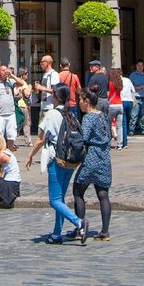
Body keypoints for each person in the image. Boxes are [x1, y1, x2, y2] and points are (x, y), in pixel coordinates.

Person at [26, 83, 84, 244]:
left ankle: (79, 222)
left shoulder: (51, 114)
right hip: (70, 160)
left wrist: (30, 155)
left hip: (56, 158)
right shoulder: (70, 113)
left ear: (56, 97)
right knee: (60, 199)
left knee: (55, 200)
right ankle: (57, 233)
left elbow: (40, 139)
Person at [72, 88, 112, 241]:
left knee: (78, 191)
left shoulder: (88, 118)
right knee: (102, 194)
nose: (79, 104)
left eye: (81, 101)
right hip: (104, 157)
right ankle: (105, 231)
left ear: (86, 102)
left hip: (92, 157)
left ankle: (80, 228)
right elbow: (108, 134)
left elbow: (84, 137)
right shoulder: (103, 115)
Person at [0, 64, 18, 151]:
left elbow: (21, 83)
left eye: (6, 70)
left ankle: (10, 156)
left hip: (11, 114)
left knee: (11, 136)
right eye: (3, 70)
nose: (5, 72)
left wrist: (12, 75)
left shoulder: (10, 82)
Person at [129, 61, 144, 135]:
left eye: (142, 65)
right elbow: (130, 87)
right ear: (136, 66)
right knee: (134, 114)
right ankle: (131, 130)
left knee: (143, 114)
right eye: (138, 65)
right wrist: (139, 87)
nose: (140, 67)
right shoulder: (132, 75)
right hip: (136, 97)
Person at [34, 54, 59, 126]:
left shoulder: (54, 74)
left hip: (50, 107)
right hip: (43, 106)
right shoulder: (45, 74)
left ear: (49, 63)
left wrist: (42, 88)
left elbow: (55, 90)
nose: (41, 63)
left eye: (43, 62)